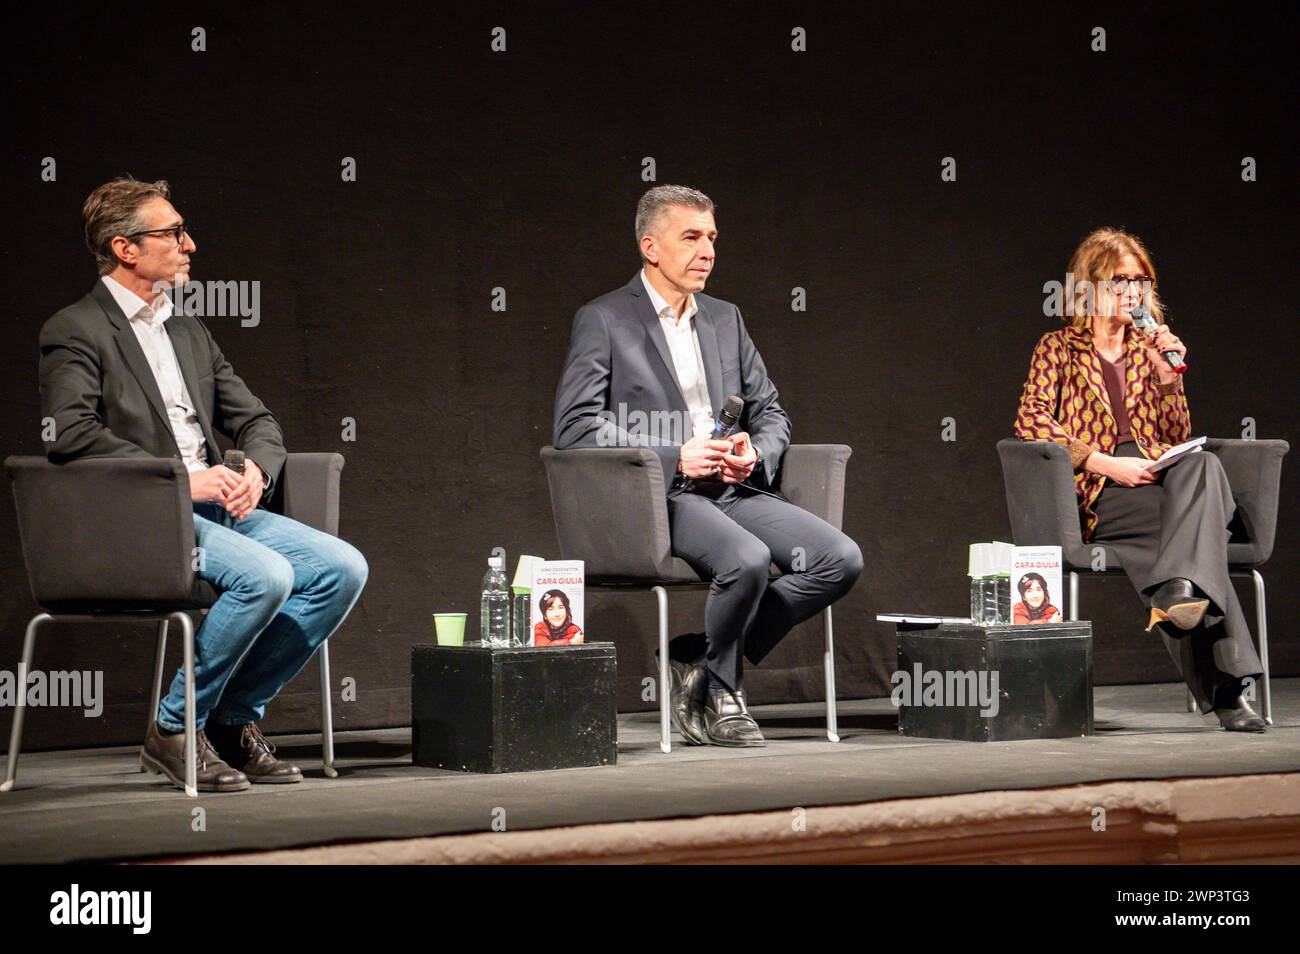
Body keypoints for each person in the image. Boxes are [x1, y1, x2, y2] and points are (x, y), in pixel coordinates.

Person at [39, 177, 370, 791]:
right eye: (173, 232)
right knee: (266, 575)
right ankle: (174, 728)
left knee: (341, 568)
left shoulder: (188, 330)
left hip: (219, 509)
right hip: (142, 516)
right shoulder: (77, 328)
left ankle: (228, 722)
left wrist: (255, 471)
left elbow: (257, 420)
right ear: (125, 248)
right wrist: (178, 480)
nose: (189, 244)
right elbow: (68, 433)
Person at [553, 184, 863, 747]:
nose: (707, 251)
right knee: (745, 559)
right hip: (665, 494)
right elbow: (577, 426)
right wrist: (676, 455)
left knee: (838, 560)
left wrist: (757, 451)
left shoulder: (726, 318)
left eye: (712, 238)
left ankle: (701, 659)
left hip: (733, 487)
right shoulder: (603, 319)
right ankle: (723, 689)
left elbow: (770, 410)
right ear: (650, 246)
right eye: (690, 237)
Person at [1014, 227, 1265, 731]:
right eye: (1119, 280)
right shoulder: (1058, 348)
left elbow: (1178, 433)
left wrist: (1169, 380)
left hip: (1161, 476)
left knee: (1205, 464)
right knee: (1198, 544)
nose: (1133, 291)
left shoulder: (1150, 347)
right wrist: (1103, 462)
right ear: (1088, 286)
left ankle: (1176, 589)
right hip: (1105, 491)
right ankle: (1229, 690)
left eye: (1140, 281)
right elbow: (1031, 421)